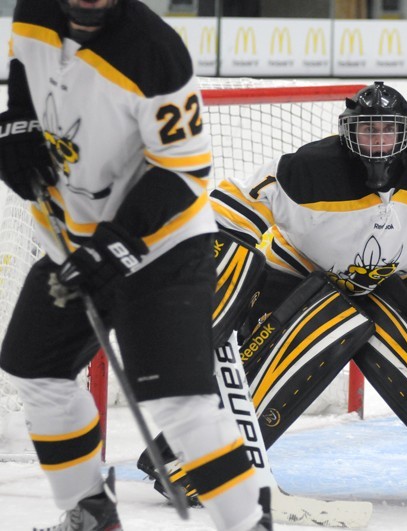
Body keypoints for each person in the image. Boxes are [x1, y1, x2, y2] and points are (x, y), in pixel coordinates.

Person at [144, 81, 407, 511]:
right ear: (348, 131)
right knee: (266, 363)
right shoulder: (305, 171)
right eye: (367, 129)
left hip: (395, 282)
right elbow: (232, 211)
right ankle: (193, 461)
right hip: (297, 275)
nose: (377, 139)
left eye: (387, 130)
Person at [0, 1, 270, 530]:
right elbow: (23, 71)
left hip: (161, 246)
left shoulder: (156, 54)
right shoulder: (32, 13)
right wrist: (18, 124)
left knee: (178, 403)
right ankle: (89, 511)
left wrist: (115, 246)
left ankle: (248, 524)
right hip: (74, 239)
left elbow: (185, 172)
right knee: (34, 366)